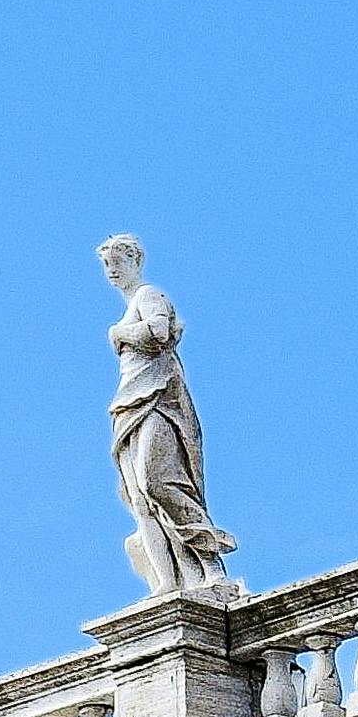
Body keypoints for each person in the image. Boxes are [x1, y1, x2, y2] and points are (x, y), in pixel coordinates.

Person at [99, 234, 236, 597]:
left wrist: (119, 333)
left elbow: (158, 333)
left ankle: (210, 566)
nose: (112, 270)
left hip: (158, 401)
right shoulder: (132, 304)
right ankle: (168, 581)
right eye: (107, 264)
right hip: (128, 405)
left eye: (118, 261)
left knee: (159, 482)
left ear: (135, 261)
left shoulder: (149, 296)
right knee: (141, 499)